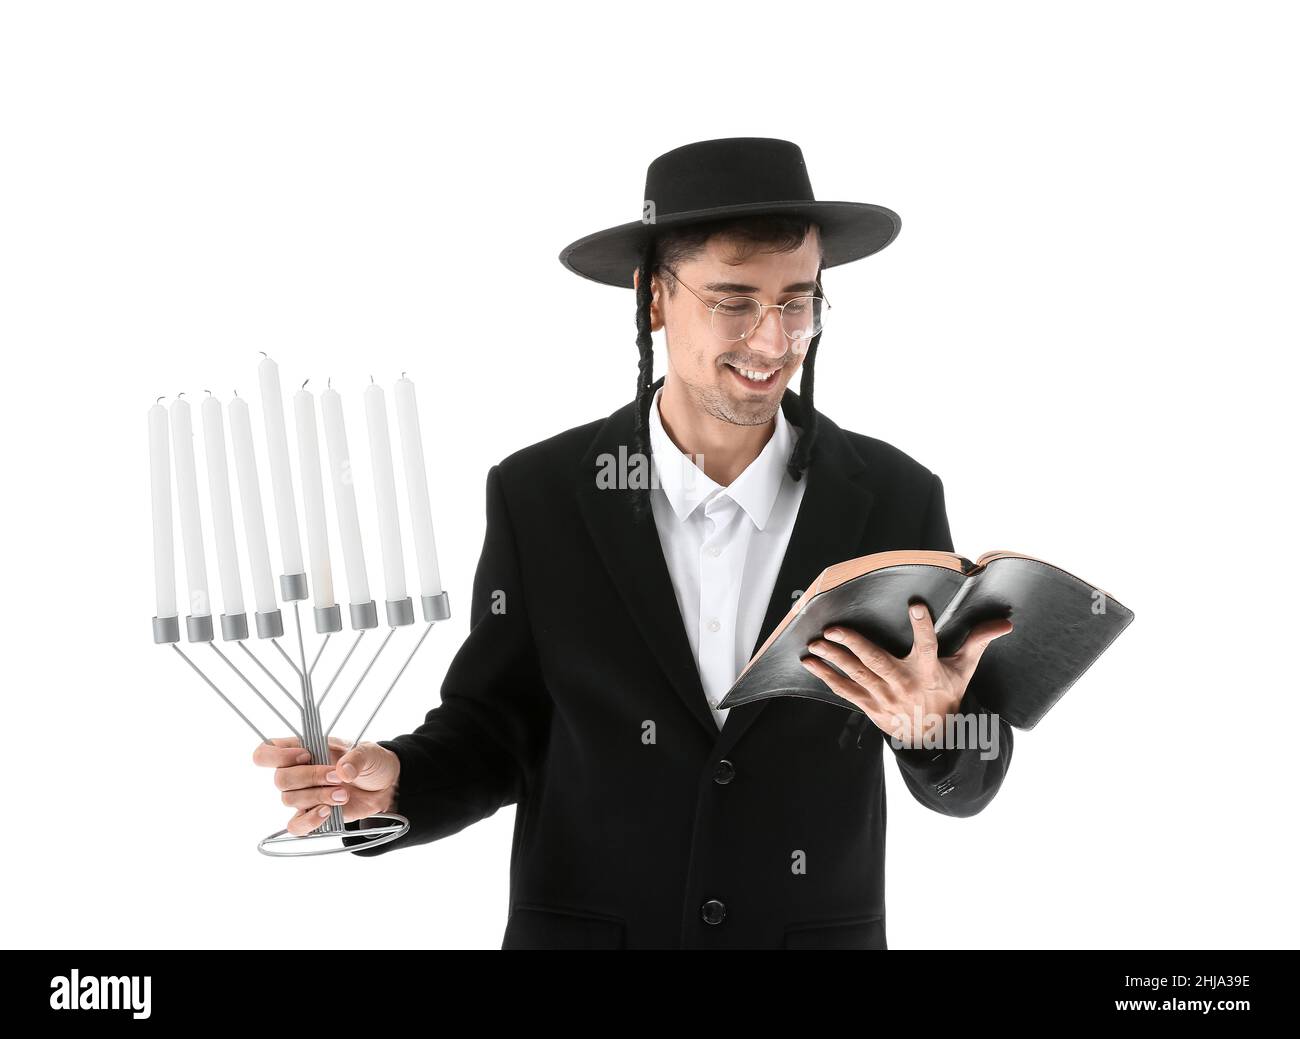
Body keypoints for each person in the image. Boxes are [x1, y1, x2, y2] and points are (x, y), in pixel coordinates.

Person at [253, 138, 1015, 949]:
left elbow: (970, 776)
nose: (773, 340)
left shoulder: (896, 500)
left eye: (797, 301)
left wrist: (933, 728)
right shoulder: (541, 495)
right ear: (656, 299)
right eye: (733, 300)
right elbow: (497, 728)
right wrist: (398, 783)